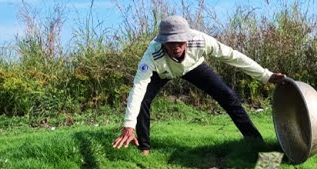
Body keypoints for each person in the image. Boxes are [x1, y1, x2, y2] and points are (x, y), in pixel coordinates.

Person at [113, 15, 285, 155]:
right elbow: (138, 88)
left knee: (228, 96)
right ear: (163, 41)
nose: (176, 47)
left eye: (180, 41)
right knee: (143, 99)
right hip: (162, 71)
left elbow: (233, 56)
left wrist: (265, 75)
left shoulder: (201, 40)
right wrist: (129, 125)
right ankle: (144, 149)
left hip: (193, 66)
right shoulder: (152, 54)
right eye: (171, 42)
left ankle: (256, 144)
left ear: (188, 38)